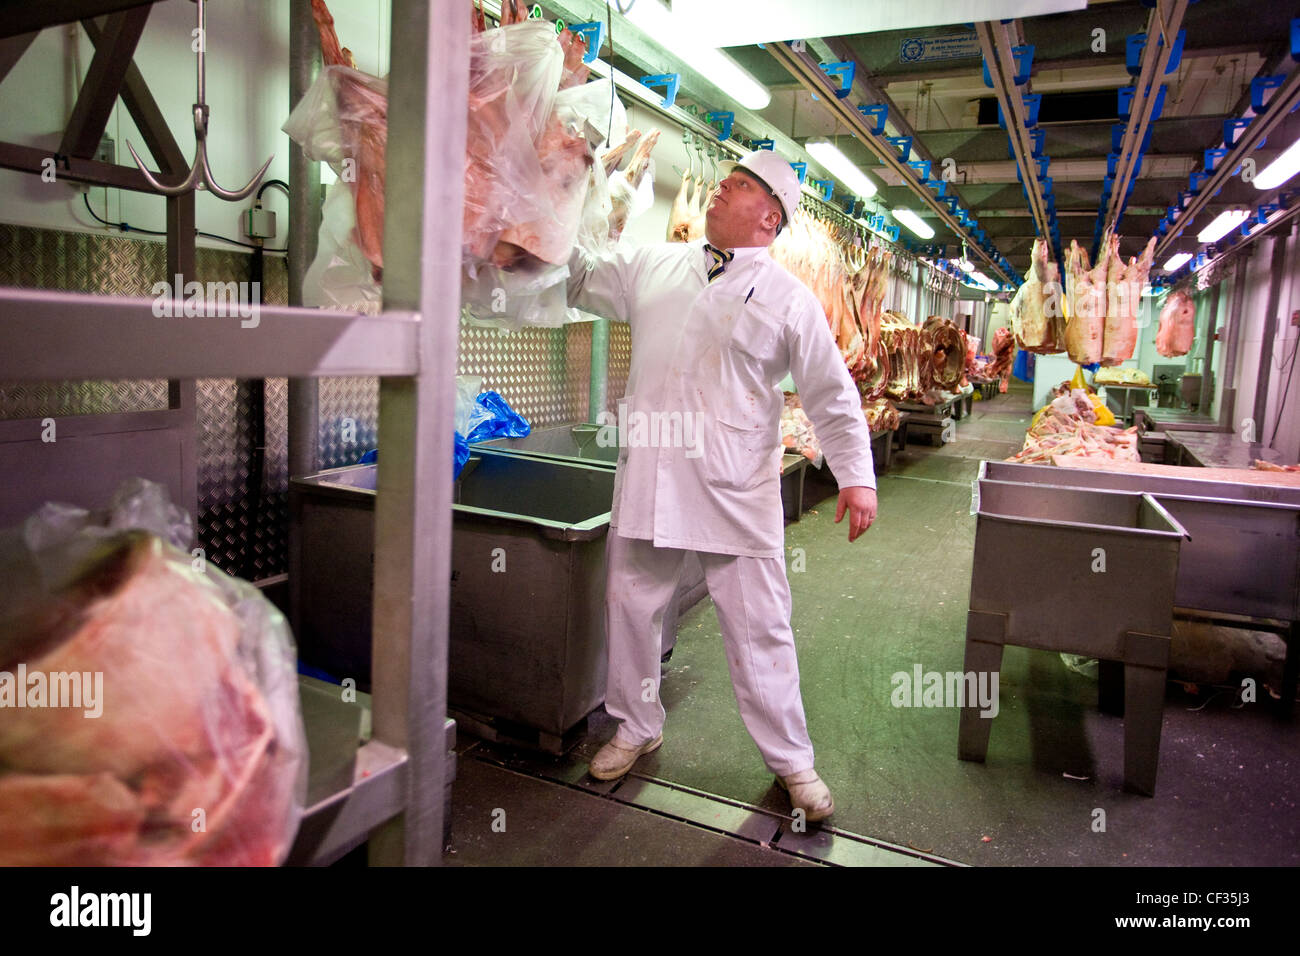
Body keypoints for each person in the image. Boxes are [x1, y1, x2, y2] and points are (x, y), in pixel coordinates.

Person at [566, 149, 878, 821]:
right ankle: (635, 726)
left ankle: (792, 762)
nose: (717, 191)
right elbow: (577, 279)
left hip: (734, 487)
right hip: (652, 471)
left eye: (735, 186)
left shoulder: (790, 298)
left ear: (769, 216)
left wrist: (856, 477)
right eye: (724, 180)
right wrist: (548, 203)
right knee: (631, 607)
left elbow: (830, 391)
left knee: (760, 626)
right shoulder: (653, 263)